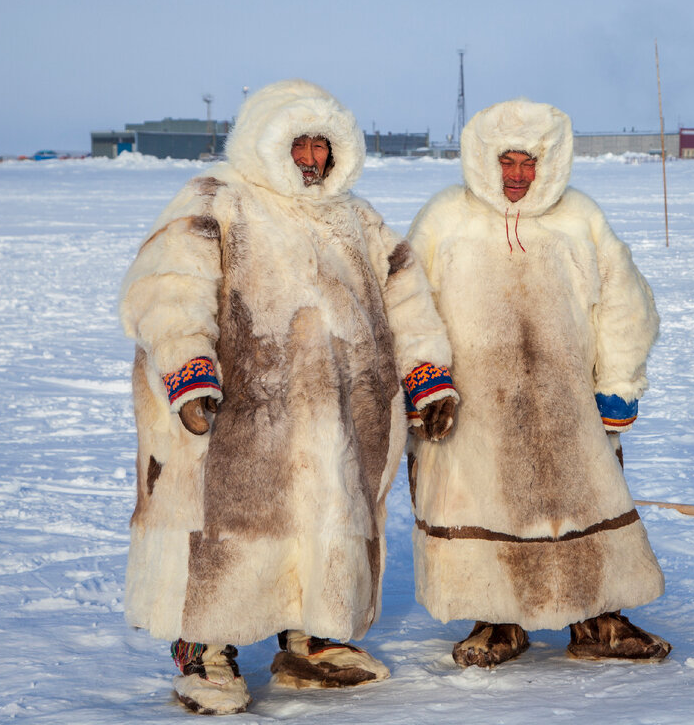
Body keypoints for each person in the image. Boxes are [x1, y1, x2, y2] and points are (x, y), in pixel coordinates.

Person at [119, 79, 458, 714]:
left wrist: (426, 374)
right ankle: (206, 650)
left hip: (338, 411)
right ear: (266, 143)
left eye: (321, 147)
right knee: (222, 524)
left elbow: (405, 295)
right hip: (235, 406)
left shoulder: (356, 217)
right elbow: (169, 284)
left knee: (323, 514)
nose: (310, 160)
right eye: (298, 145)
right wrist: (188, 363)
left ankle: (310, 639)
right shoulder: (217, 199)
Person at [405, 98, 670, 668]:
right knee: (486, 501)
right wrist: (426, 376)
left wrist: (619, 381)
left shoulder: (579, 217)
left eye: (530, 162)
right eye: (507, 161)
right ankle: (497, 620)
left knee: (584, 500)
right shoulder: (446, 217)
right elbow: (407, 303)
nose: (518, 175)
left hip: (567, 402)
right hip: (476, 404)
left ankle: (600, 619)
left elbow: (626, 302)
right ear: (484, 160)